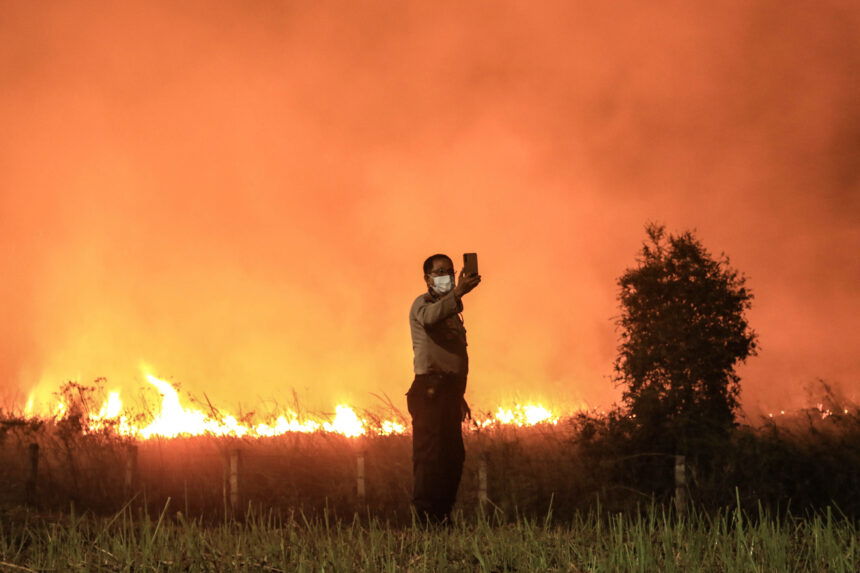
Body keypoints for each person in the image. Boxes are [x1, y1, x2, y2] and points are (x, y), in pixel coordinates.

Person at [407, 253, 482, 525]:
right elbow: (429, 318)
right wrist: (458, 292)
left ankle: (442, 516)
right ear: (427, 278)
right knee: (430, 457)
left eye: (450, 271)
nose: (446, 276)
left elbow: (452, 358)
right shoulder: (423, 304)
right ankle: (426, 519)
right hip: (430, 391)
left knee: (452, 456)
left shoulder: (451, 311)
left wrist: (459, 397)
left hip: (448, 393)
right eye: (439, 272)